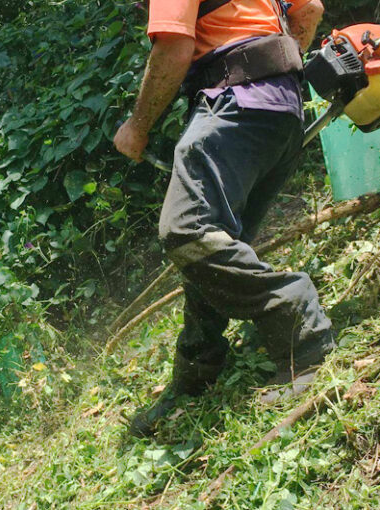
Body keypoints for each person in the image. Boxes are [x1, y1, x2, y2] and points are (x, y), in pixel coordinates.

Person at [113, 0, 336, 437]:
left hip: (234, 101)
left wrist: (138, 127)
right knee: (215, 243)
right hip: (282, 109)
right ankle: (198, 371)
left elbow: (173, 49)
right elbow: (309, 9)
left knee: (186, 229)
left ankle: (299, 323)